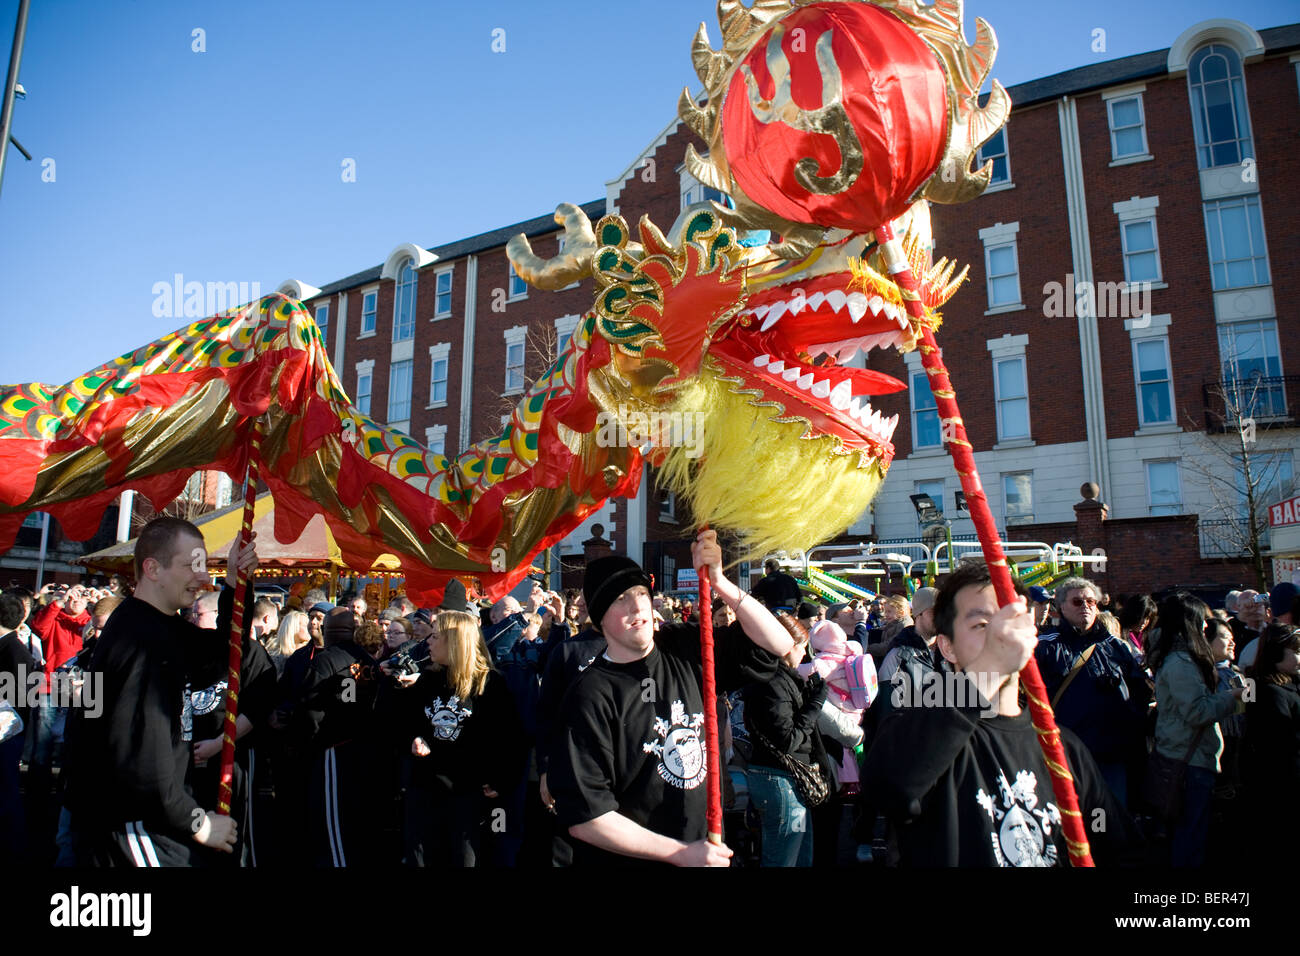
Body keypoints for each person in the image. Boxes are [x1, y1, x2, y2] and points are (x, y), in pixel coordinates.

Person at [547, 530, 791, 866]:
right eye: (620, 599)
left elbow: (777, 645)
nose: (637, 606)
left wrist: (719, 581)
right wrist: (680, 854)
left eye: (640, 594)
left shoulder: (682, 646)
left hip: (708, 851)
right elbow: (588, 819)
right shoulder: (589, 695)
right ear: (600, 620)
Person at [865, 562, 1135, 867]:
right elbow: (887, 786)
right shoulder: (923, 733)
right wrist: (989, 669)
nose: (1002, 634)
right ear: (947, 647)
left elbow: (1116, 845)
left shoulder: (1063, 748)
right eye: (982, 625)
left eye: (1010, 622)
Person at [61, 517, 253, 866]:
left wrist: (235, 585)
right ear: (152, 568)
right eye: (190, 566)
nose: (202, 578)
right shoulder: (140, 640)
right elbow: (141, 758)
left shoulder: (163, 626)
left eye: (204, 566)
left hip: (153, 815)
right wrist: (198, 822)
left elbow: (222, 655)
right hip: (134, 822)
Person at [392, 603, 523, 866]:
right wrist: (414, 739)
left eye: (436, 636)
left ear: (455, 641)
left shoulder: (490, 686)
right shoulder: (428, 680)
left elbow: (511, 740)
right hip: (425, 791)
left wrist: (499, 778)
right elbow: (404, 724)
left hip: (467, 797)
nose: (428, 641)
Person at [1145, 592, 1245, 867]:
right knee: (1190, 837)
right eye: (1202, 621)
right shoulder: (1181, 662)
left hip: (1188, 755)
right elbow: (1197, 712)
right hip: (1187, 759)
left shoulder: (1182, 659)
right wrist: (1233, 697)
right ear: (1188, 623)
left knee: (1190, 833)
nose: (1205, 627)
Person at [1034, 576, 1150, 807]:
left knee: (1113, 822)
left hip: (1112, 754)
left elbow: (1140, 693)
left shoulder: (1116, 646)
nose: (1086, 606)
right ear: (1060, 607)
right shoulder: (1045, 646)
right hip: (1068, 755)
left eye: (1091, 602)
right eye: (1078, 602)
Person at [290, 605, 383, 867]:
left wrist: (307, 743)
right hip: (365, 750)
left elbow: (309, 710)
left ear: (328, 632)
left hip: (332, 749)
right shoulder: (368, 661)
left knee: (332, 823)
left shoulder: (324, 661)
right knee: (356, 822)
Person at [742, 616, 826, 866]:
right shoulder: (773, 683)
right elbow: (788, 740)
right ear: (788, 646)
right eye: (803, 647)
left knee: (800, 856)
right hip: (780, 781)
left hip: (783, 780)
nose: (805, 654)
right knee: (784, 859)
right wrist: (815, 704)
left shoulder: (779, 679)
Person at [1243, 624, 1300, 841]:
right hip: (1280, 781)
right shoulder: (1267, 690)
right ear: (1275, 653)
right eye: (1296, 652)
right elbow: (1282, 739)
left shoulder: (1292, 683)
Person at [0, 592, 35, 861]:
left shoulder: (16, 651)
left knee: (6, 793)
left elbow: (24, 696)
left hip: (7, 733)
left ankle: (14, 847)